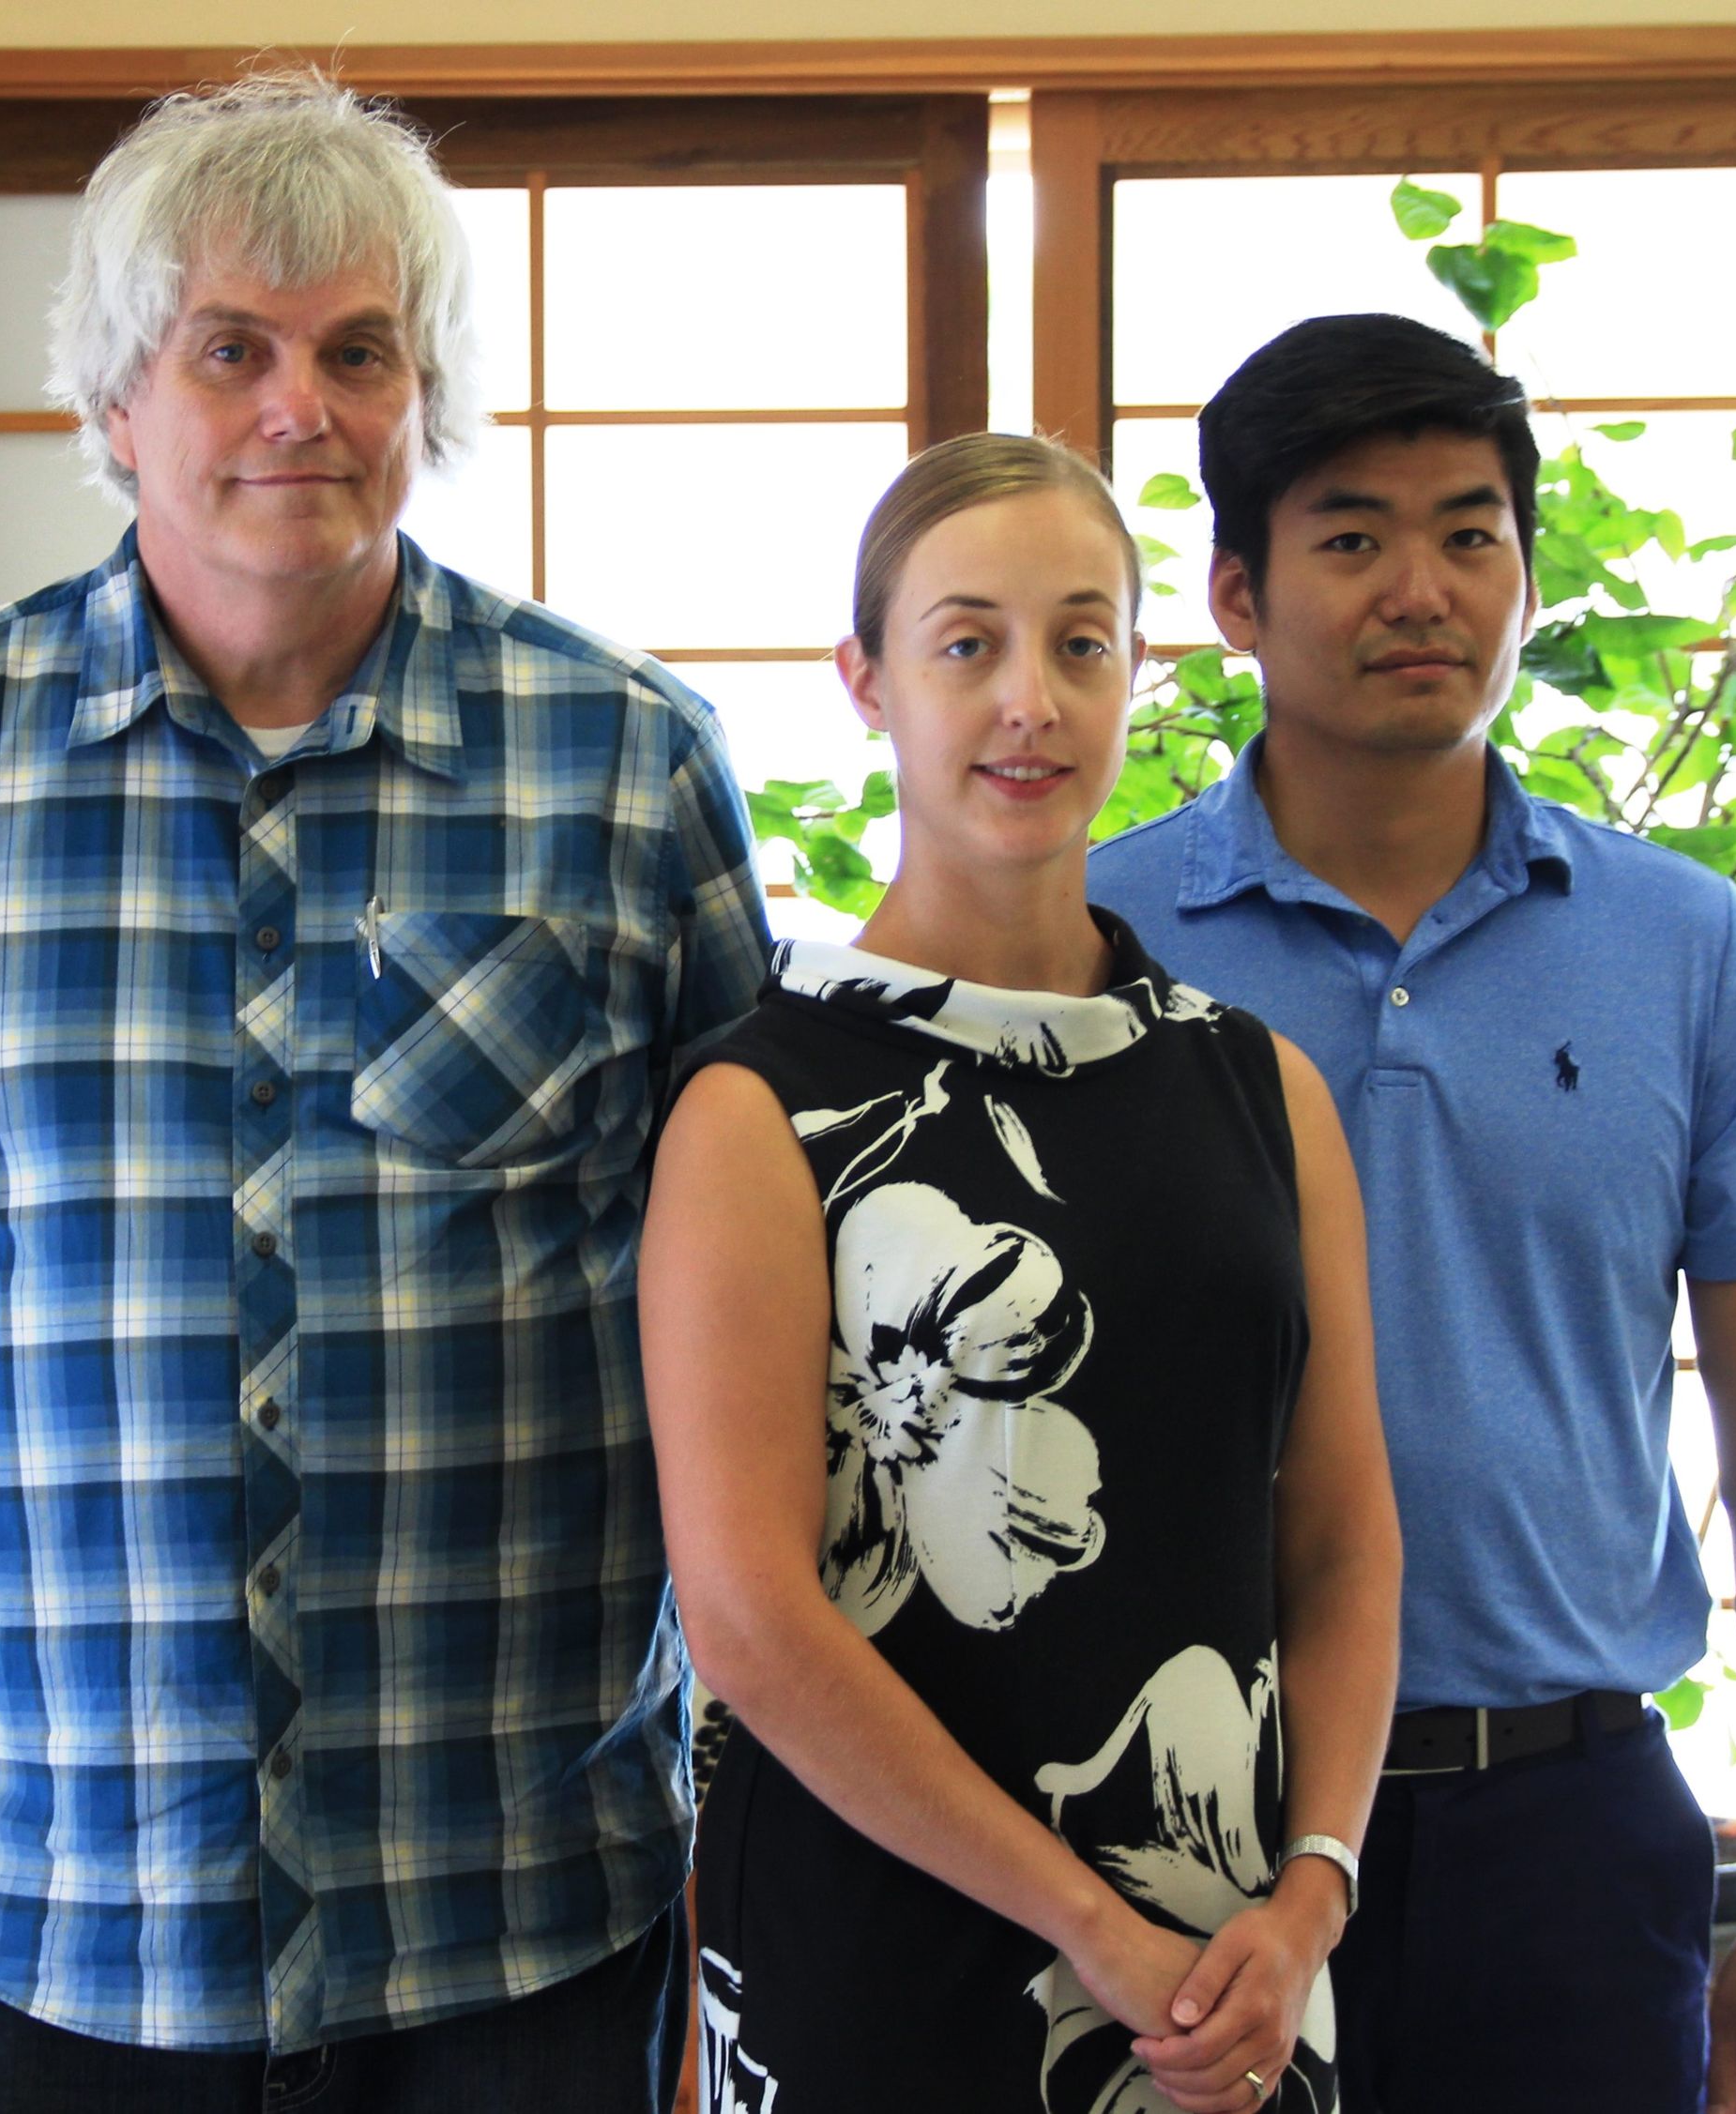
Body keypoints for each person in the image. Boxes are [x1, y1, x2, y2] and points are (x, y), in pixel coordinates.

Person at [0, 74, 769, 2114]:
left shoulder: (624, 763)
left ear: (423, 395)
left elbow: (750, 1278)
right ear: (115, 404)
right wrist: (14, 1534)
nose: (303, 406)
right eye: (231, 349)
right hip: (55, 1881)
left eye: (361, 350)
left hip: (509, 1880)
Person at [1090, 314, 1736, 2114]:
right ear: (1234, 594)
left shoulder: (1687, 947)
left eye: (1470, 532)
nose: (1420, 588)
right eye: (1350, 537)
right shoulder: (1101, 947)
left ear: (1525, 577)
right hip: (1199, 1825)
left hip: (1571, 1822)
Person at [641, 433, 1403, 2114]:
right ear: (867, 683)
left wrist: (1314, 1889)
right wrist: (1091, 1922)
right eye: (966, 642)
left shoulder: (1262, 1089)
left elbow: (1342, 1533)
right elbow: (752, 1618)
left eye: (1081, 641)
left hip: (1234, 1978)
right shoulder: (759, 1106)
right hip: (883, 1960)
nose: (1031, 704)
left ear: (1143, 668)